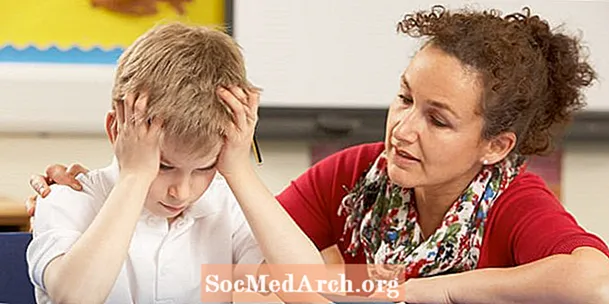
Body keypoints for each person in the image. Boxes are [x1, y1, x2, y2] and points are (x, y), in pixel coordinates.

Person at [27, 5, 609, 303]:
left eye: (437, 119)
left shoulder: (513, 201)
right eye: (403, 98)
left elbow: (594, 280)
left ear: (495, 146)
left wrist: (440, 288)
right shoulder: (359, 174)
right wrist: (131, 185)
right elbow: (252, 272)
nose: (403, 129)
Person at [25, 22, 324, 304]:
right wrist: (135, 177)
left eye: (205, 167)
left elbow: (308, 289)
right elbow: (75, 297)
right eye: (164, 166)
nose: (181, 192)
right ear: (118, 130)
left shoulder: (226, 207)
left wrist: (239, 170)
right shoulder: (66, 200)